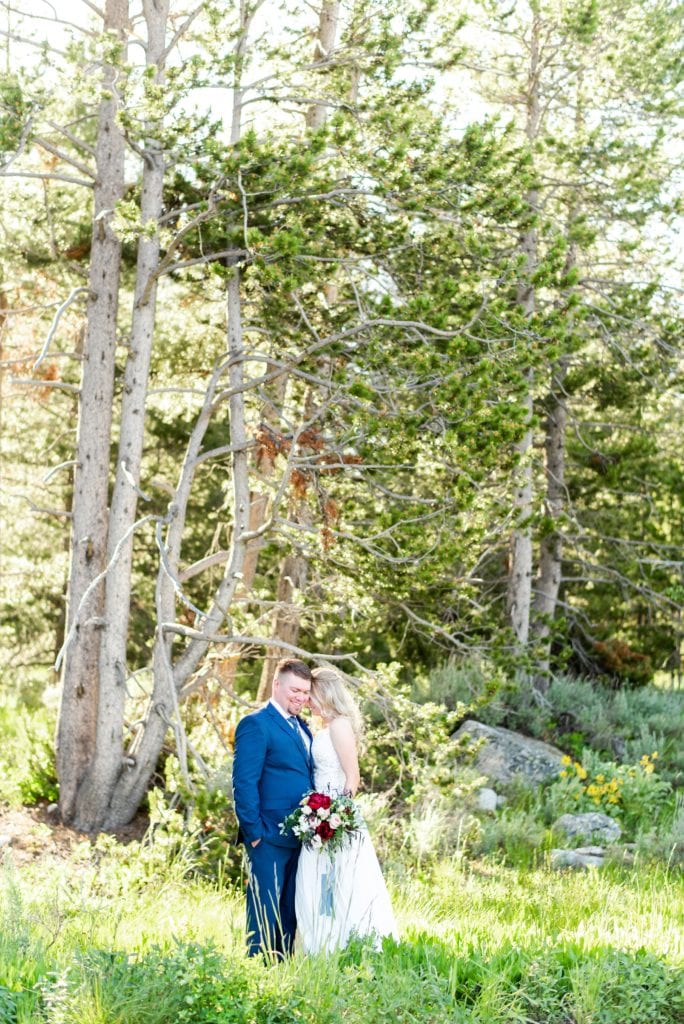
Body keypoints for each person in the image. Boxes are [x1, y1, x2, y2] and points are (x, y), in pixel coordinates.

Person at [295, 666, 398, 953]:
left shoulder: (340, 725)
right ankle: (326, 945)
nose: (307, 701)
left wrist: (336, 817)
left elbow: (353, 777)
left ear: (325, 694)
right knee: (320, 882)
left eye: (311, 695)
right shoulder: (323, 728)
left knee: (340, 882)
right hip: (318, 815)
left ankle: (348, 944)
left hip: (335, 818)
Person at [232, 657, 314, 958]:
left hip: (299, 836)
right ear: (276, 685)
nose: (301, 698)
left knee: (289, 911)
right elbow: (243, 783)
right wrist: (254, 832)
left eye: (305, 693)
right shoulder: (256, 724)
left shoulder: (301, 727)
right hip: (267, 836)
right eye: (295, 690)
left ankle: (280, 971)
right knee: (263, 910)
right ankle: (257, 972)